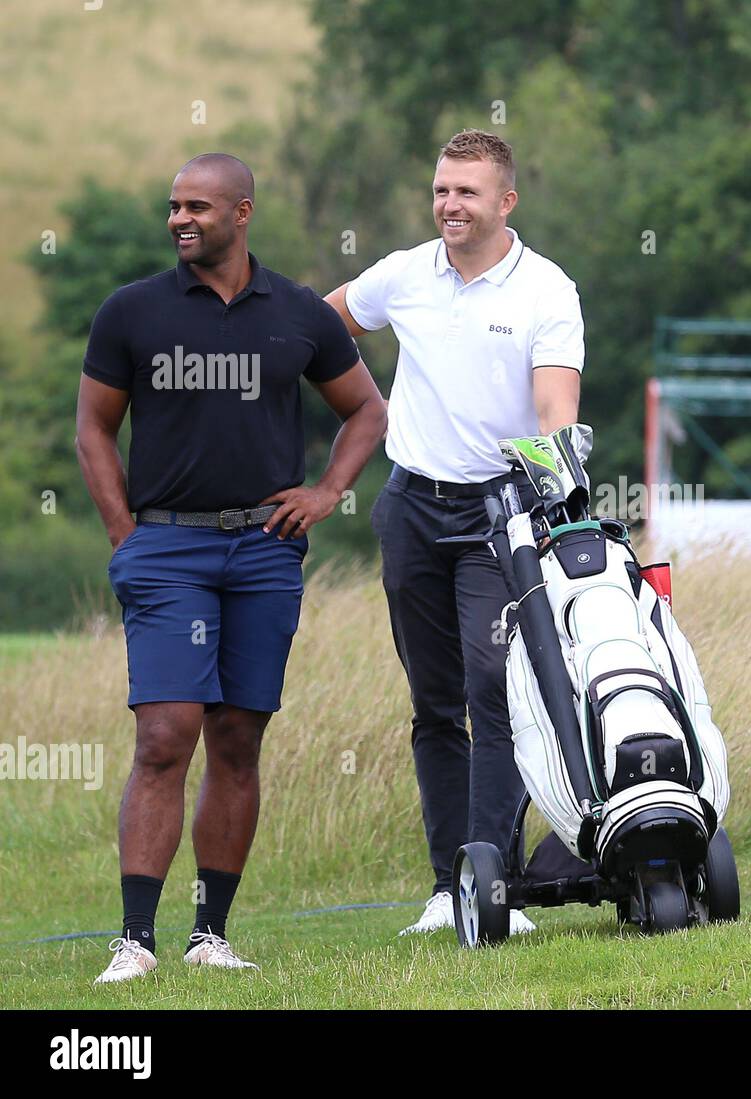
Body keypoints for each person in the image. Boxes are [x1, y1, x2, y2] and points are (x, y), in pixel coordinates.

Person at [77, 153, 387, 982]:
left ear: (241, 212)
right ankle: (134, 940)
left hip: (263, 550)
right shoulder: (130, 312)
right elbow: (94, 430)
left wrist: (326, 491)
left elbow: (366, 410)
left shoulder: (298, 314)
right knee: (164, 734)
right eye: (173, 206)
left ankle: (209, 933)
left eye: (199, 207)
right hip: (167, 548)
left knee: (239, 738)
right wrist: (124, 534)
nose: (181, 219)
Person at [324, 129, 584, 936]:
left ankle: (492, 880)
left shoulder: (546, 290)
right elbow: (318, 329)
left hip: (499, 515)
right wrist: (365, 407)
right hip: (410, 507)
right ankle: (448, 888)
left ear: (506, 201)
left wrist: (556, 490)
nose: (449, 205)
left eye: (466, 192)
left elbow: (555, 409)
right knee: (434, 702)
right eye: (441, 190)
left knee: (492, 687)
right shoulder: (404, 274)